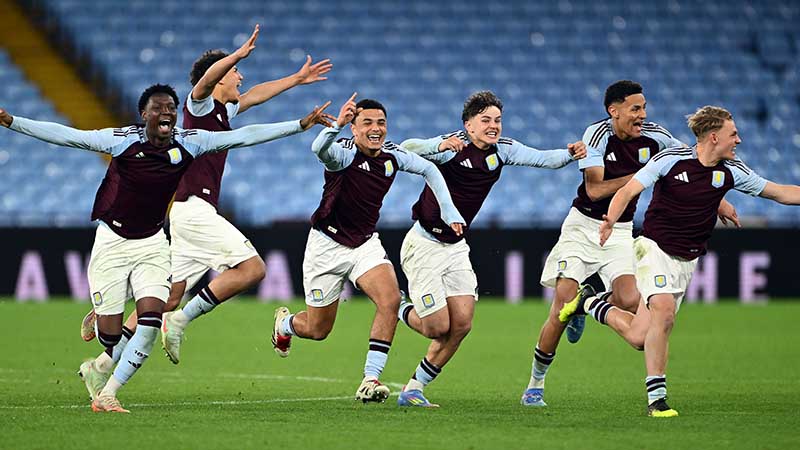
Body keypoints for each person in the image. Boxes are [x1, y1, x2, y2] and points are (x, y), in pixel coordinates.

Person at [0, 83, 332, 412]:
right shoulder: (122, 140)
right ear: (143, 114)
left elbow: (243, 136)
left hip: (153, 244)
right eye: (158, 108)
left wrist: (299, 125)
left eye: (171, 108)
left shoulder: (190, 143)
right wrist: (12, 121)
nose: (167, 113)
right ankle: (104, 316)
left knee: (150, 319)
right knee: (111, 337)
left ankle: (110, 392)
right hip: (112, 243)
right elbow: (66, 135)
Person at [79, 25, 332, 366]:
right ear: (222, 75)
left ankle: (101, 363)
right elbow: (203, 84)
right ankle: (179, 320)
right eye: (236, 72)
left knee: (167, 297)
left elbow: (256, 94)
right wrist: (235, 55)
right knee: (252, 269)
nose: (241, 78)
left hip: (185, 213)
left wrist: (296, 80)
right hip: (194, 210)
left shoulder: (223, 113)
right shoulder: (198, 108)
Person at [561, 105, 800, 417]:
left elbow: (780, 192)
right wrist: (610, 221)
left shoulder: (732, 171)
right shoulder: (670, 159)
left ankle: (589, 303)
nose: (738, 140)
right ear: (714, 137)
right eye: (733, 134)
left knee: (638, 337)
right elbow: (629, 189)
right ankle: (656, 400)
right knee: (665, 313)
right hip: (653, 248)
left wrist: (721, 203)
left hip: (686, 260)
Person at [521, 80, 739, 407]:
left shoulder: (656, 135)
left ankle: (590, 302)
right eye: (635, 109)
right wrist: (645, 173)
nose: (642, 115)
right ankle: (535, 383)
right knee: (561, 305)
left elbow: (693, 164)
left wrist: (719, 202)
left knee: (630, 302)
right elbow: (595, 190)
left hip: (621, 231)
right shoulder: (595, 135)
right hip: (582, 228)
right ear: (615, 110)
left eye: (644, 108)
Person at [394, 90, 586, 407]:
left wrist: (569, 154)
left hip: (455, 247)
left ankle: (414, 388)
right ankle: (401, 308)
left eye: (497, 120)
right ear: (468, 125)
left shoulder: (503, 150)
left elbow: (542, 159)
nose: (493, 126)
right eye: (485, 120)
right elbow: (404, 149)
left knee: (462, 324)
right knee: (438, 327)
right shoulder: (451, 146)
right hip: (424, 243)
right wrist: (437, 146)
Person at [271, 93, 465, 403]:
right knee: (318, 330)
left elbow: (430, 170)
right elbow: (319, 148)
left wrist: (449, 210)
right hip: (327, 246)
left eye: (381, 123)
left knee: (389, 299)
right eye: (367, 123)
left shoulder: (392, 156)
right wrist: (335, 125)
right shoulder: (344, 155)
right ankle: (285, 324)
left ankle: (370, 379)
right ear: (354, 128)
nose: (376, 129)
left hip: (364, 244)